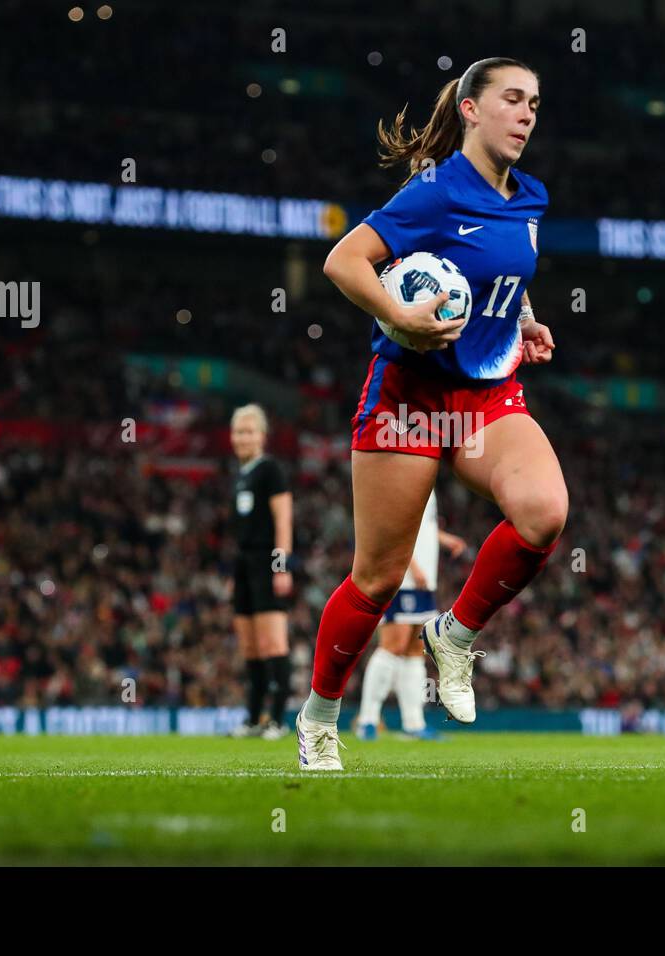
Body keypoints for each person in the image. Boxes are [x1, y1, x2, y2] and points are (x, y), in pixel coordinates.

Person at [296, 57, 566, 770]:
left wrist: (525, 319)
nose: (527, 112)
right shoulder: (435, 193)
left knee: (543, 511)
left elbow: (501, 275)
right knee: (377, 580)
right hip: (408, 398)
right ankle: (320, 717)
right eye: (512, 98)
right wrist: (401, 318)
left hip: (485, 395)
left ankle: (455, 635)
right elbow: (344, 261)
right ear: (472, 110)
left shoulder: (529, 196)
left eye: (534, 102)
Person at [354, 488, 467, 740]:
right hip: (402, 578)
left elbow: (418, 527)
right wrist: (412, 566)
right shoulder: (404, 478)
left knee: (415, 650)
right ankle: (368, 719)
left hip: (423, 580)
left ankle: (413, 723)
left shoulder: (428, 485)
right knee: (392, 646)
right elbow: (392, 530)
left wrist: (443, 538)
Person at [227, 404, 295, 741]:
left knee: (273, 642)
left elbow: (283, 519)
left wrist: (281, 566)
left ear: (262, 437)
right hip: (243, 565)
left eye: (249, 431)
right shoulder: (240, 474)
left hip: (266, 562)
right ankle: (254, 718)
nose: (243, 437)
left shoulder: (271, 471)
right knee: (250, 646)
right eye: (239, 432)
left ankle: (279, 720)